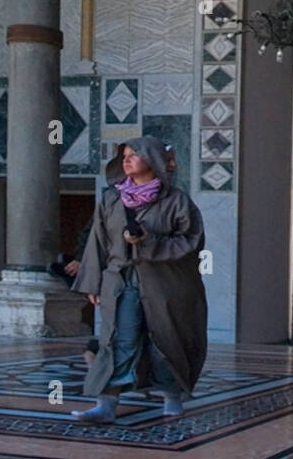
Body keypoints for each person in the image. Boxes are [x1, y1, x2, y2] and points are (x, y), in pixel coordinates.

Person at [71, 136, 207, 422]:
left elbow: (191, 242)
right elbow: (97, 242)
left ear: (153, 160)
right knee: (118, 337)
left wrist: (149, 242)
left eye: (135, 154)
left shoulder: (177, 201)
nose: (127, 159)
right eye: (125, 154)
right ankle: (106, 404)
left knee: (167, 337)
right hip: (120, 281)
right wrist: (93, 283)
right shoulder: (110, 199)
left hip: (165, 283)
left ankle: (172, 395)